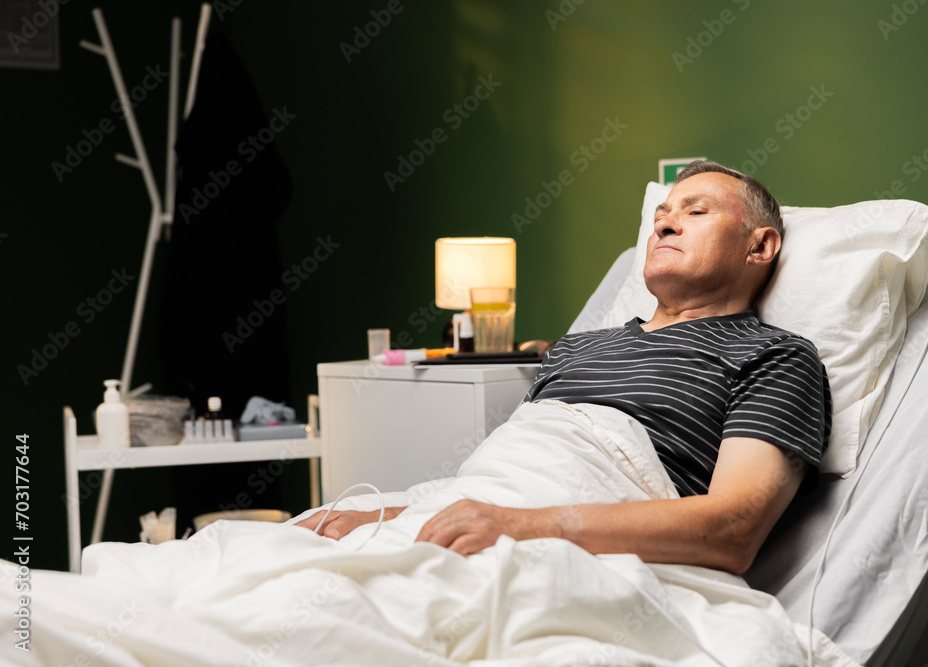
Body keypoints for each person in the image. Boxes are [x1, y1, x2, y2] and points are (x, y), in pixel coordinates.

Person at [297, 160, 831, 575]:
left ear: (759, 246)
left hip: (561, 537)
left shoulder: (773, 356)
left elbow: (733, 530)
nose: (665, 225)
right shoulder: (576, 349)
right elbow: (501, 477)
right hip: (484, 514)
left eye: (695, 212)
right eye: (661, 216)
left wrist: (520, 529)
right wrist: (389, 515)